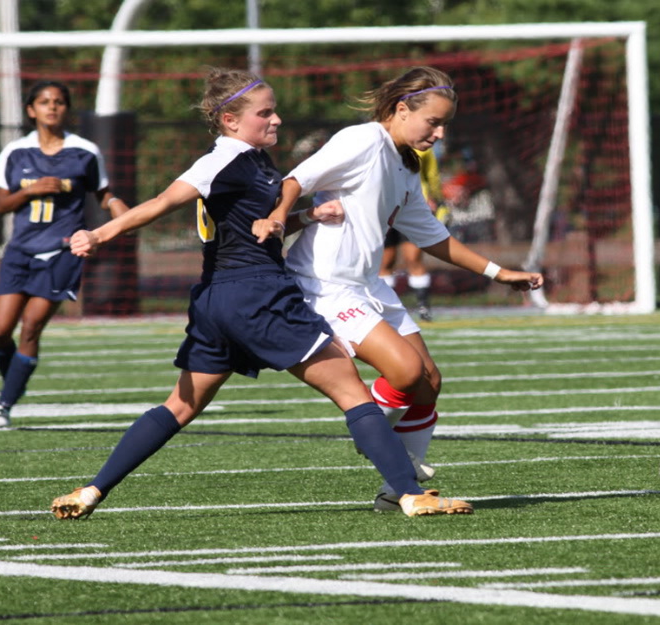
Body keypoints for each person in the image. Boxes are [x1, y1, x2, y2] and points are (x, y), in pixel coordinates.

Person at [50, 68, 472, 520]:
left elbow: (257, 227)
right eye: (265, 113)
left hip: (215, 299)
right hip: (257, 297)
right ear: (230, 120)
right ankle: (408, 494)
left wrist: (308, 217)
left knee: (181, 404)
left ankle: (93, 489)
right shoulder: (222, 161)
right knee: (353, 394)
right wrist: (100, 233)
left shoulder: (252, 163)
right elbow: (160, 204)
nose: (276, 121)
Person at [255, 66, 543, 511]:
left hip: (369, 286)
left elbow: (432, 237)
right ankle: (373, 434)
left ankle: (398, 490)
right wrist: (279, 218)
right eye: (434, 122)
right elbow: (297, 179)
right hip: (325, 285)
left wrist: (497, 273)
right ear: (402, 109)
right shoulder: (362, 140)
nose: (440, 133)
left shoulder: (406, 164)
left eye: (445, 124)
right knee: (406, 373)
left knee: (429, 382)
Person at [0, 81, 128, 429]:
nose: (53, 107)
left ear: (67, 109)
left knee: (31, 327)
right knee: (0, 332)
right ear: (31, 110)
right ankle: (14, 384)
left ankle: (3, 405)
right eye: (45, 102)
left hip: (62, 251)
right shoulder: (16, 152)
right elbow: (1, 204)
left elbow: (103, 192)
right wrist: (31, 190)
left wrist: (118, 209)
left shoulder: (84, 151)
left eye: (60, 102)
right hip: (20, 251)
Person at [378, 146, 447, 321]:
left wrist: (437, 199)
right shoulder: (380, 148)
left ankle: (423, 306)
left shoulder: (424, 149)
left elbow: (432, 176)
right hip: (385, 210)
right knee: (386, 261)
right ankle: (387, 308)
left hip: (412, 210)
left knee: (413, 258)